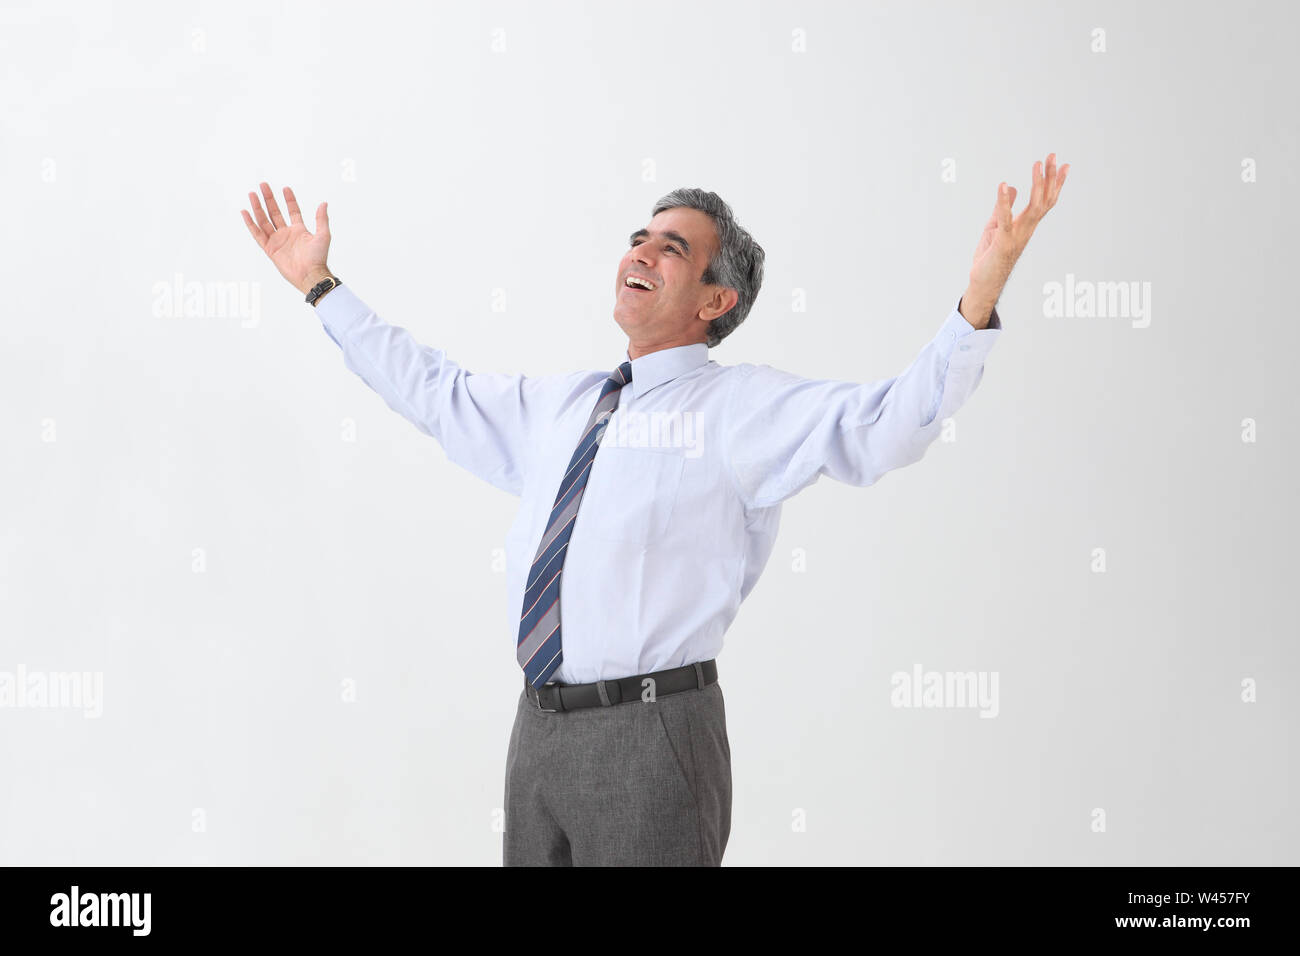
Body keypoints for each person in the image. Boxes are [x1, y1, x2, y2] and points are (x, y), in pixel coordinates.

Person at [240, 156, 1069, 866]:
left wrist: (978, 296)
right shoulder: (561, 408)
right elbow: (434, 389)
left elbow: (886, 425)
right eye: (640, 236)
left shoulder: (740, 411)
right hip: (537, 732)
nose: (640, 250)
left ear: (717, 302)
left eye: (672, 248)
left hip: (653, 736)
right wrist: (320, 286)